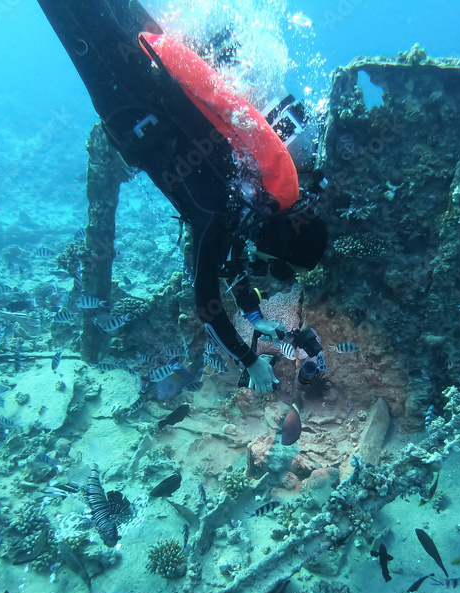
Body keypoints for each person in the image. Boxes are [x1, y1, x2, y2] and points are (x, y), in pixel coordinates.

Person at [37, 0, 328, 393]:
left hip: (158, 59)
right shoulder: (225, 212)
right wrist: (250, 360)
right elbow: (206, 303)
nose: (267, 265)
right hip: (126, 92)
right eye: (277, 263)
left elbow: (233, 259)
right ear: (278, 242)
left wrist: (254, 316)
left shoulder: (253, 194)